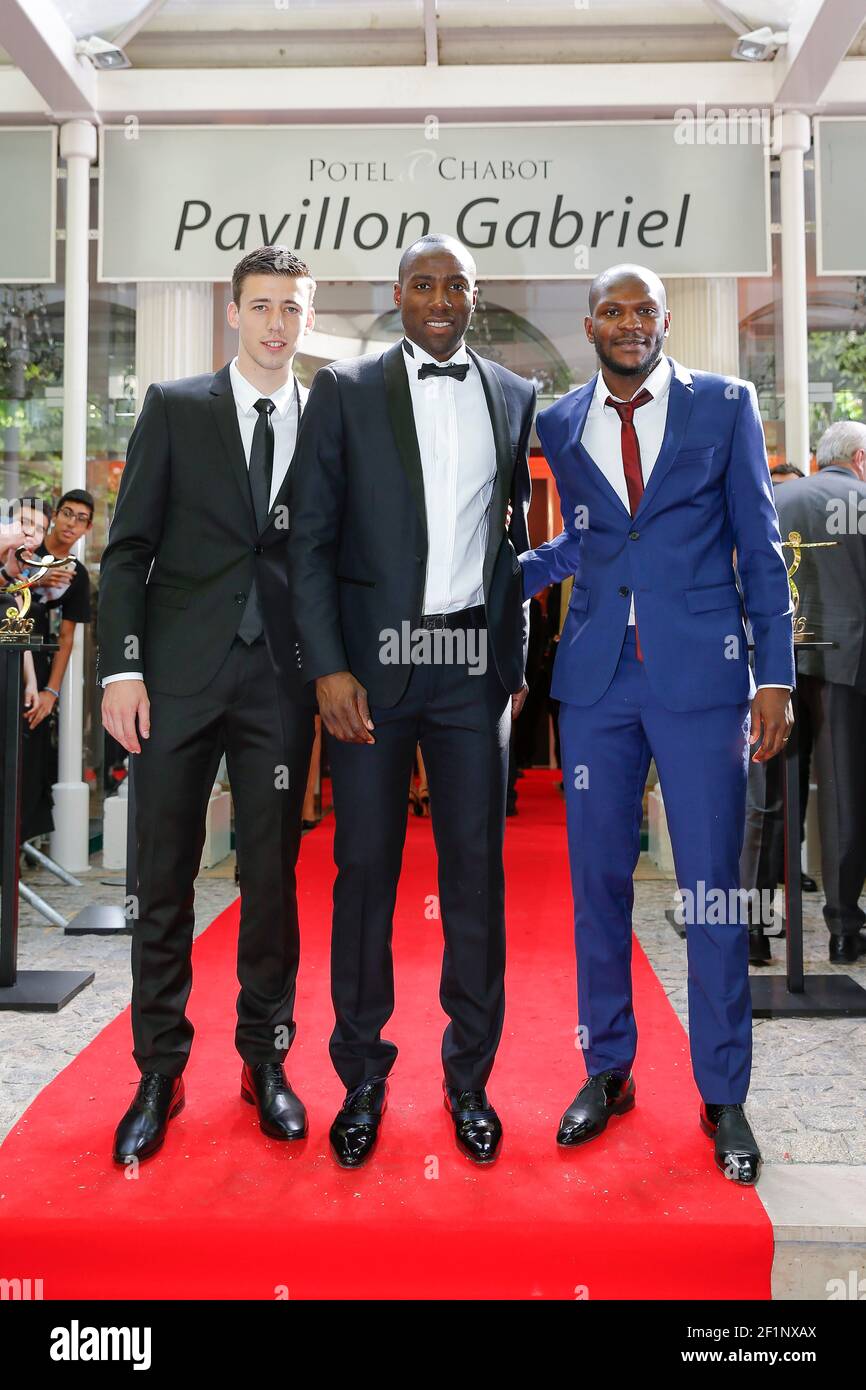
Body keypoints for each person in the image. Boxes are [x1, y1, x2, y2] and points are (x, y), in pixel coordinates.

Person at [520, 263, 794, 1185]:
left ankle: (722, 1094)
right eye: (613, 311)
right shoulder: (560, 423)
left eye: (645, 310)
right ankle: (609, 1070)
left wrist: (774, 676)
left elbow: (758, 544)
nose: (630, 323)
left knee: (712, 892)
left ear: (666, 320)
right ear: (589, 324)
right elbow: (595, 537)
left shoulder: (725, 405)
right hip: (596, 684)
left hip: (706, 678)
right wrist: (499, 578)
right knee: (596, 887)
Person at [289, 233, 534, 1168]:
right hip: (370, 671)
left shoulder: (514, 396)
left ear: (477, 297)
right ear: (398, 295)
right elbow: (310, 540)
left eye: (456, 285)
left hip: (468, 663)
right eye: (423, 284)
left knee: (476, 878)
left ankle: (468, 1078)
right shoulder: (344, 392)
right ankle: (361, 1075)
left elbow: (511, 539)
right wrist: (328, 668)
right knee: (364, 875)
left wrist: (508, 670)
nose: (439, 298)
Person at [99, 245, 317, 1164]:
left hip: (281, 683)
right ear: (233, 313)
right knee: (162, 879)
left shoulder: (331, 415)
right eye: (261, 304)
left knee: (270, 881)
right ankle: (159, 1068)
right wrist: (122, 670)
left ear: (308, 318)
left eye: (292, 308)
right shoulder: (177, 408)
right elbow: (126, 551)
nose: (275, 322)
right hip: (177, 682)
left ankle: (264, 1059)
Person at [775, 420, 866, 963]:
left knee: (767, 799)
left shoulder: (779, 496)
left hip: (777, 664)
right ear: (858, 457)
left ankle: (762, 928)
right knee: (842, 795)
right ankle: (842, 929)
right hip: (846, 663)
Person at [18, 491, 94, 843]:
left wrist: (52, 691)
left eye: (81, 519)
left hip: (39, 664)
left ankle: (19, 845)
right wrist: (38, 578)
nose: (72, 524)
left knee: (31, 758)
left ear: (87, 528)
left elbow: (67, 639)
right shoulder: (24, 551)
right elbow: (9, 592)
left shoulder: (77, 575)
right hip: (9, 654)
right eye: (68, 513)